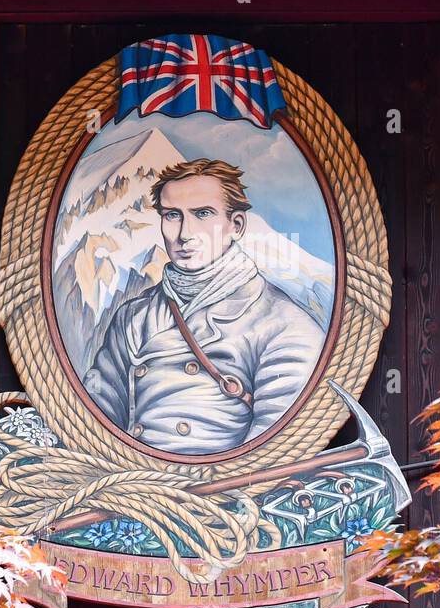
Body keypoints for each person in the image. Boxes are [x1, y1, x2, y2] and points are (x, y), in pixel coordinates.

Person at [84, 158, 326, 455]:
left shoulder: (287, 326)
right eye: (172, 215)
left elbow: (275, 451)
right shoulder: (132, 317)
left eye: (202, 214)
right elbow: (96, 423)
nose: (185, 234)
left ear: (236, 225)